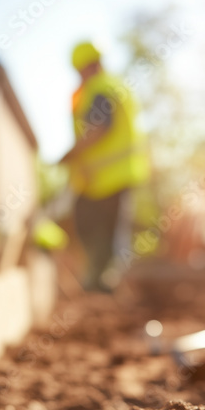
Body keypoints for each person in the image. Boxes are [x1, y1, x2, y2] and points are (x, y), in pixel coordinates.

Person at [60, 41, 150, 292]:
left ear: (83, 67)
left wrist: (71, 154)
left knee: (100, 231)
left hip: (110, 177)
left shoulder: (100, 89)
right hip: (105, 178)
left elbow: (98, 128)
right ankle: (100, 282)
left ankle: (101, 284)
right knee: (100, 229)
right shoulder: (112, 87)